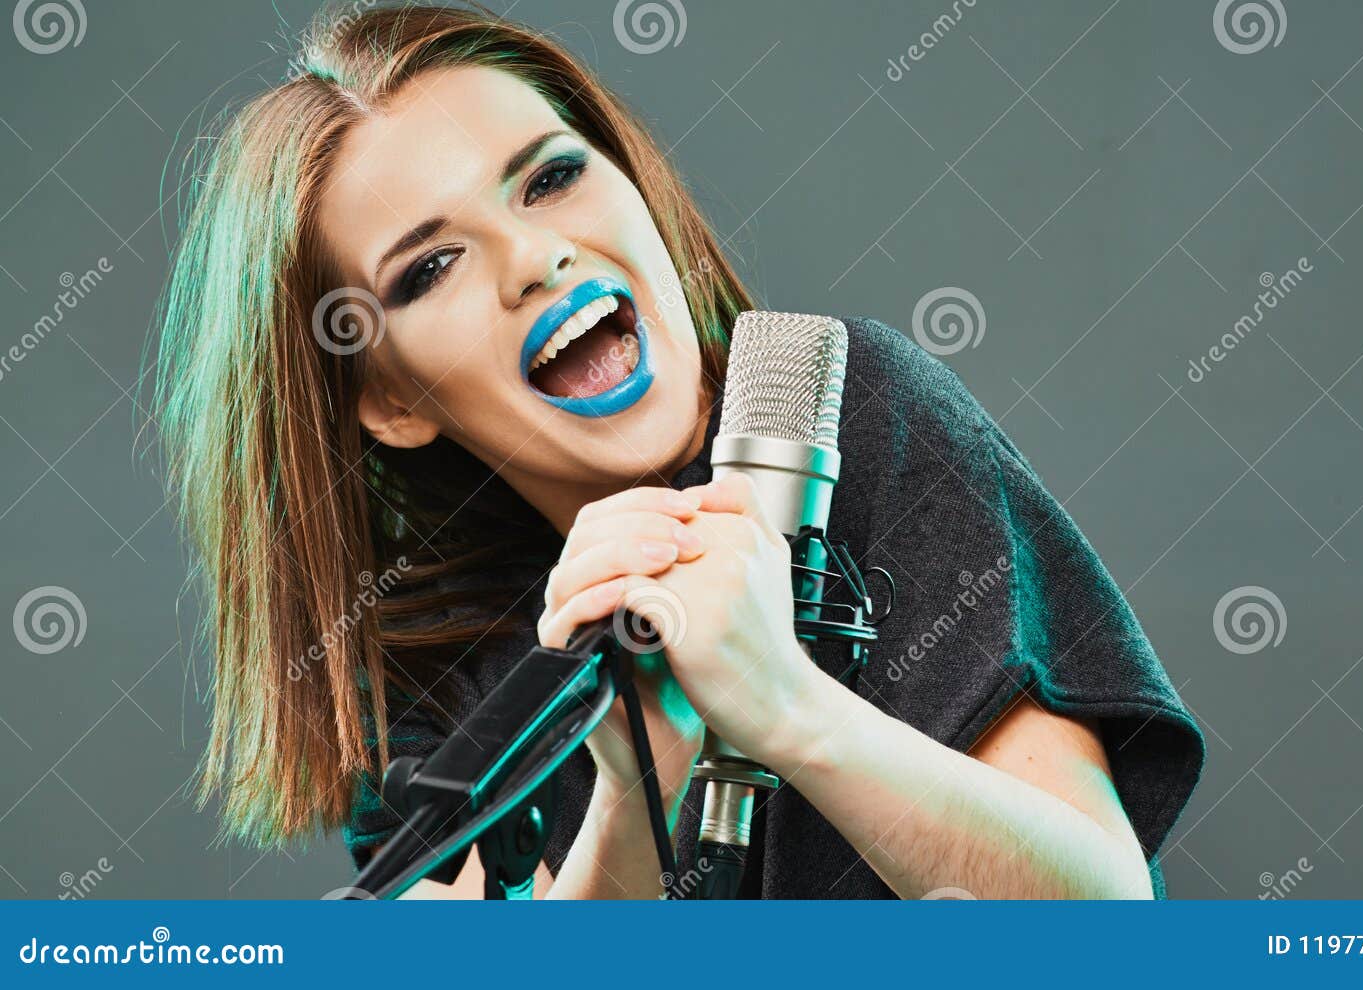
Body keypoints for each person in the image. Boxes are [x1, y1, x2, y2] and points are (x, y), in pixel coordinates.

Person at [155, 2, 1203, 899]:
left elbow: (1100, 912)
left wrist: (783, 707)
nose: (534, 257)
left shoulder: (845, 413)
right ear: (385, 398)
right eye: (430, 266)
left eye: (551, 177)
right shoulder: (430, 696)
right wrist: (633, 791)